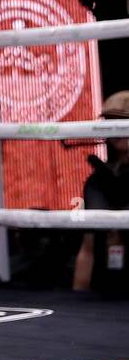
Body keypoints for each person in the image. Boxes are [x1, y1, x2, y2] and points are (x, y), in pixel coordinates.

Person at [73, 91, 129, 297]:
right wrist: (77, 295)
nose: (117, 130)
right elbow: (87, 246)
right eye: (111, 122)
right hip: (104, 290)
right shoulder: (97, 181)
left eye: (123, 122)